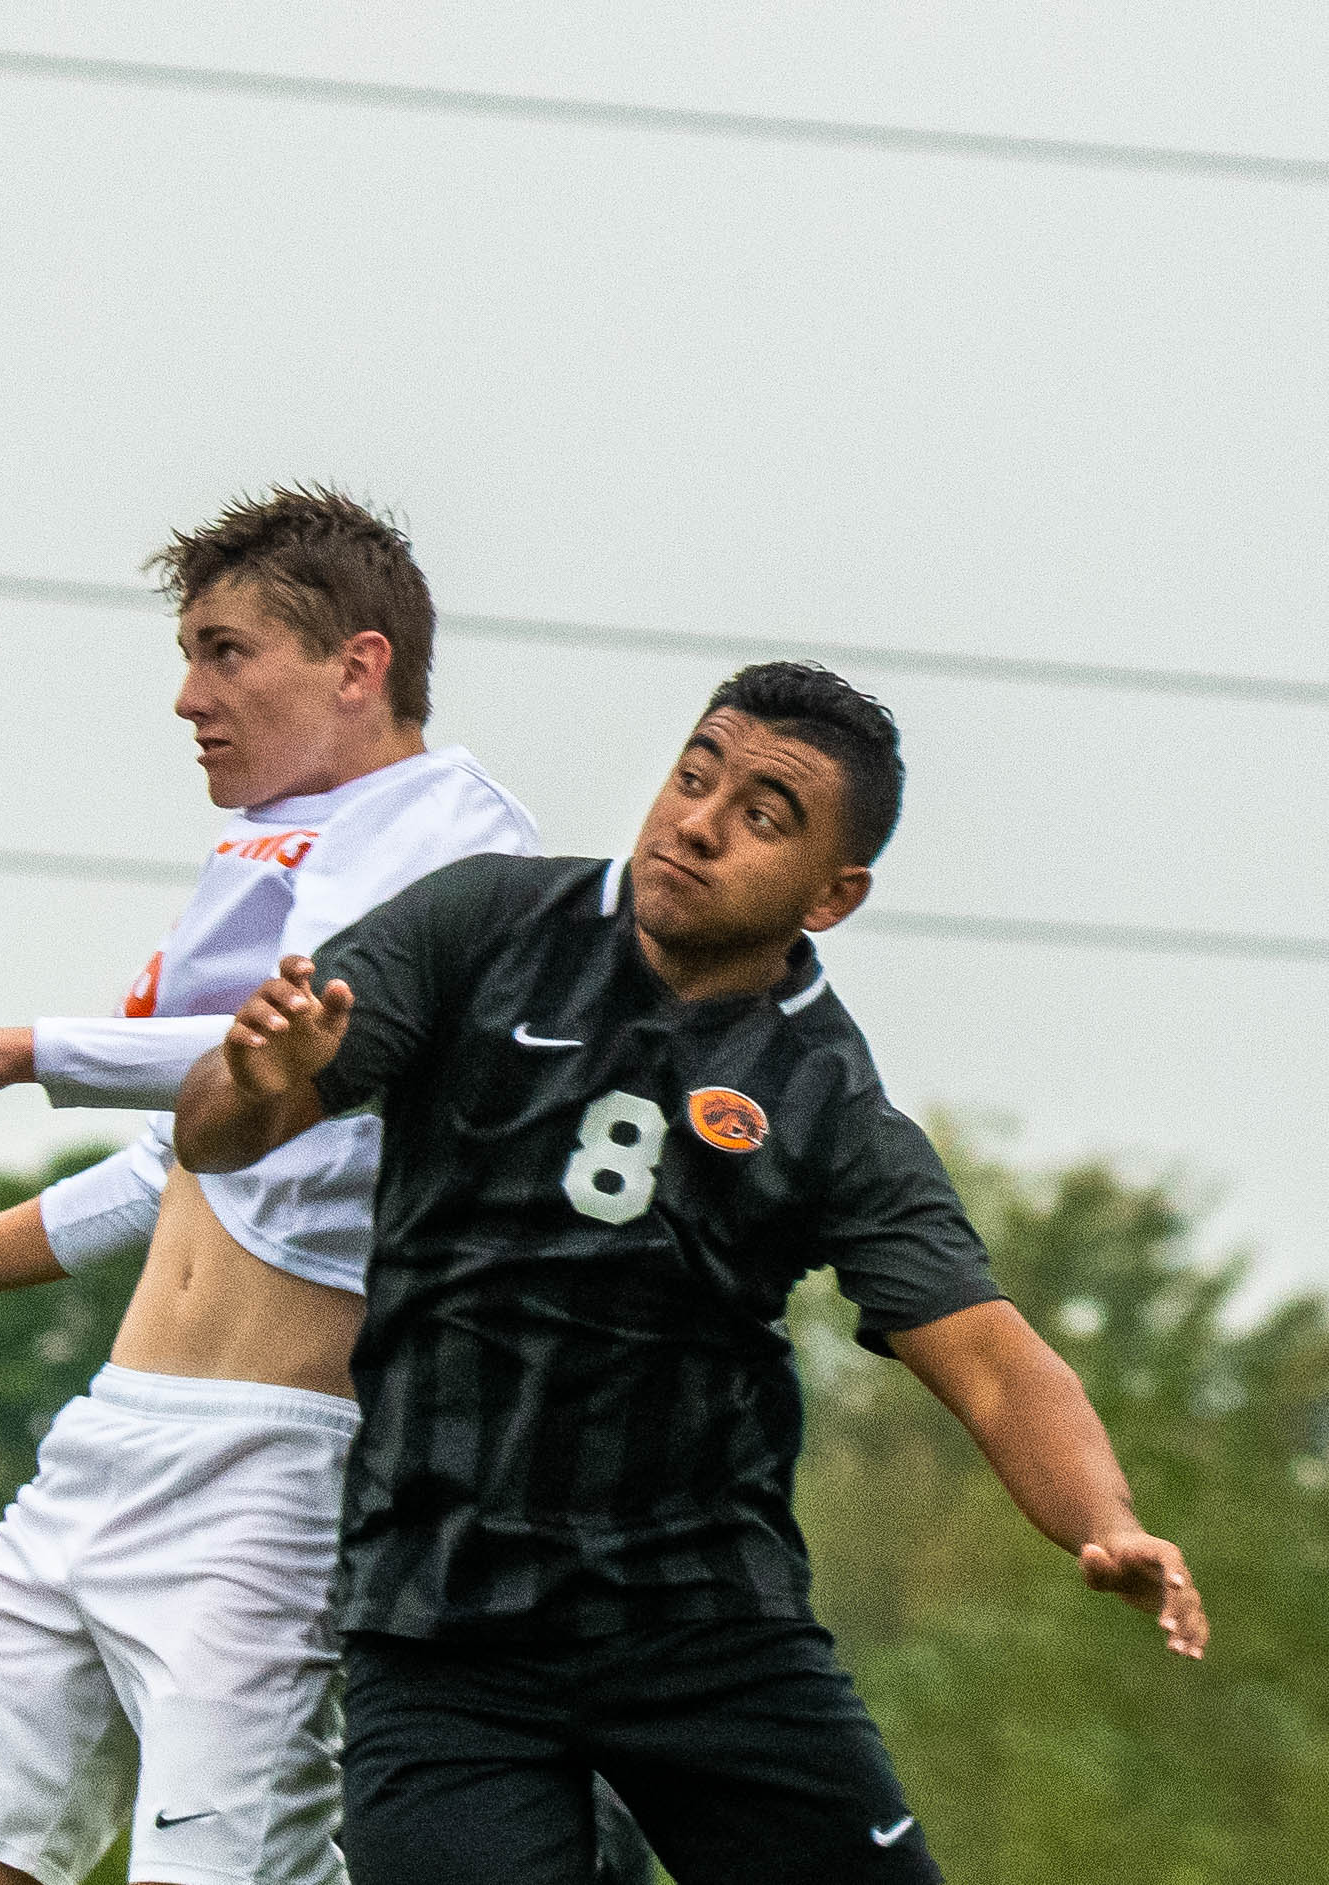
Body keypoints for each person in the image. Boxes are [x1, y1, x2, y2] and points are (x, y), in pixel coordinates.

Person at [175, 662, 1206, 1883]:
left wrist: (1106, 1521)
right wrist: (257, 1077)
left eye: (761, 814)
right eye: (693, 775)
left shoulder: (826, 1098)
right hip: (442, 1625)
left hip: (702, 1630)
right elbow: (215, 1135)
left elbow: (988, 1357)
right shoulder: (482, 923)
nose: (698, 823)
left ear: (832, 894)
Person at [0, 488, 625, 1885]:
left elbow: (307, 1042)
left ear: (356, 665)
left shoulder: (450, 835)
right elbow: (173, 1163)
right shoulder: (274, 846)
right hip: (102, 1448)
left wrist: (17, 1047)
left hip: (267, 1484)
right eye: (186, 655)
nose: (188, 696)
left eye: (224, 651)